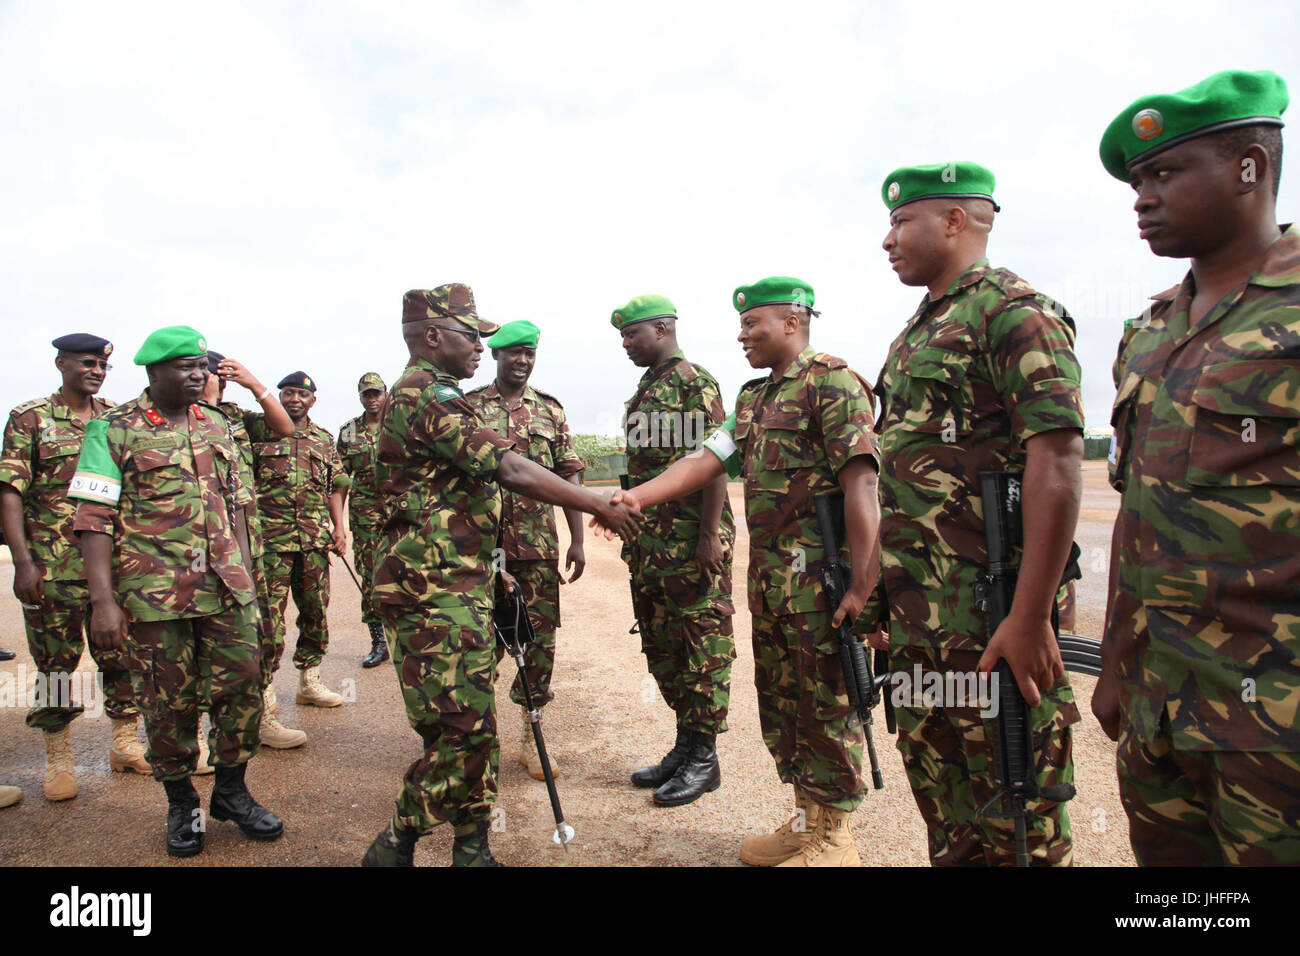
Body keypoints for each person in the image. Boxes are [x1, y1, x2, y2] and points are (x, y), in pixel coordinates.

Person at [1092, 68, 1299, 865]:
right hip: (1162, 713)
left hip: (1276, 727)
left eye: (1164, 173)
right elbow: (1134, 512)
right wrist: (1114, 664)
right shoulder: (1149, 332)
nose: (1142, 196)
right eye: (1138, 180)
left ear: (1251, 165)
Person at [605, 277, 880, 866]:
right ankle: (807, 821)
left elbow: (862, 485)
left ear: (793, 321)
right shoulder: (754, 399)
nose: (742, 334)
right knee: (786, 707)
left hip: (822, 586)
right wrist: (638, 499)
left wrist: (864, 583)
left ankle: (835, 839)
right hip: (773, 586)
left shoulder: (832, 383)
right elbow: (707, 460)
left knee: (827, 706)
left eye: (753, 323)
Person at [361, 283, 638, 867]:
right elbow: (510, 467)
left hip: (460, 581)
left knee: (473, 722)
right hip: (431, 592)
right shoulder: (427, 396)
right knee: (462, 732)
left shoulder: (432, 395)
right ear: (433, 337)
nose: (482, 348)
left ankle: (472, 844)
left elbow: (457, 500)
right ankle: (397, 838)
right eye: (472, 335)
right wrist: (599, 505)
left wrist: (492, 570)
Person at [872, 162, 1085, 866]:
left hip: (991, 620)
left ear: (954, 221)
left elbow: (1056, 463)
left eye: (903, 222)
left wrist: (1031, 617)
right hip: (921, 624)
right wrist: (884, 598)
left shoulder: (1014, 311)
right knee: (947, 814)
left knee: (1014, 815)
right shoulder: (916, 333)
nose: (888, 239)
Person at [70, 325, 283, 858]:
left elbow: (235, 505)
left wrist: (246, 578)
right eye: (184, 367)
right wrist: (104, 601)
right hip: (155, 598)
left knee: (244, 685)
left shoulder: (217, 424)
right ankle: (182, 802)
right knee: (169, 705)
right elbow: (93, 520)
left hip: (226, 589)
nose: (197, 375)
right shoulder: (113, 429)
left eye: (200, 366)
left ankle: (232, 792)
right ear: (154, 372)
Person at [0, 333, 148, 801]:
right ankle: (59, 758)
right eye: (87, 362)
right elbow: (9, 491)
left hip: (112, 569)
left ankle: (125, 746)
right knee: (55, 669)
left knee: (123, 659)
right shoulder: (31, 418)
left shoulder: (116, 417)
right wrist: (23, 562)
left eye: (103, 365)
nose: (97, 371)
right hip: (52, 571)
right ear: (61, 362)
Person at [610, 295, 736, 807]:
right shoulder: (648, 387)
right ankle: (684, 747)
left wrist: (709, 534)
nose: (625, 344)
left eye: (631, 334)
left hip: (689, 543)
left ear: (662, 328)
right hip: (653, 544)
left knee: (701, 644)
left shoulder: (693, 382)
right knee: (665, 645)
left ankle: (705, 759)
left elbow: (715, 459)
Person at [465, 321, 586, 781]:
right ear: (495, 355)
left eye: (529, 353)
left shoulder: (549, 411)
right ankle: (478, 737)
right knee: (480, 641)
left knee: (538, 643)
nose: (522, 360)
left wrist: (576, 538)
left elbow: (569, 474)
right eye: (514, 352)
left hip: (537, 548)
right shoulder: (470, 407)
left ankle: (530, 736)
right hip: (481, 547)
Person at [200, 351, 303, 751]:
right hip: (197, 554)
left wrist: (255, 385)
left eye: (223, 377)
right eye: (214, 375)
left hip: (246, 549)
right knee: (200, 645)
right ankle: (198, 734)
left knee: (260, 635)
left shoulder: (233, 417)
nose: (219, 382)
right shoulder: (173, 419)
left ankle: (264, 715)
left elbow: (284, 428)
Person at [246, 372, 350, 710]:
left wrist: (339, 528)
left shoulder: (323, 439)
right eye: (288, 393)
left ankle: (310, 680)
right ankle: (265, 687)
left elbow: (336, 485)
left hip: (313, 542)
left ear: (312, 401)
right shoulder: (259, 430)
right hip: (271, 542)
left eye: (301, 395)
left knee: (315, 612)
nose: (294, 400)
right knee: (269, 618)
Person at [337, 372, 391, 668]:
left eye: (376, 394)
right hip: (365, 515)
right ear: (360, 397)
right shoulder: (349, 432)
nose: (372, 400)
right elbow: (341, 479)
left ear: (385, 394)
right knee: (371, 577)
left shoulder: (399, 425)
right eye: (366, 395)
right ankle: (379, 642)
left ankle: (405, 640)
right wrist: (338, 525)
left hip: (399, 512)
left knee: (405, 575)